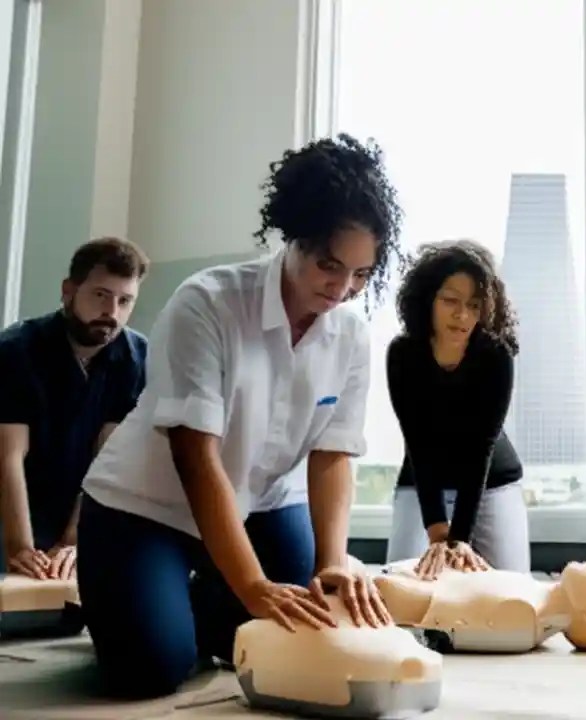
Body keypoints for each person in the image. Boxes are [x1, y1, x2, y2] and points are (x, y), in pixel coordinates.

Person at [74, 134, 402, 699]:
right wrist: (251, 584)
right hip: (147, 508)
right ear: (293, 237)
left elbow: (331, 456)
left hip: (262, 503)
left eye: (361, 274)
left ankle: (186, 599)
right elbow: (196, 458)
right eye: (329, 265)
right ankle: (143, 595)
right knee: (153, 669)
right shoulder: (208, 302)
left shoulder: (350, 336)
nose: (343, 288)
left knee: (297, 623)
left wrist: (333, 565)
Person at [0, 238, 148, 594]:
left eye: (124, 300)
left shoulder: (136, 358)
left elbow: (108, 459)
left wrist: (74, 541)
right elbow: (8, 456)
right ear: (69, 291)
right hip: (12, 501)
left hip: (83, 504)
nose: (111, 311)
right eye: (100, 295)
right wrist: (20, 546)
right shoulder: (16, 350)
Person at [385, 239, 526, 578]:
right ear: (428, 299)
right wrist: (437, 530)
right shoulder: (403, 354)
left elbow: (482, 447)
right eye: (450, 301)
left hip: (491, 479)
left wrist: (458, 538)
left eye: (474, 305)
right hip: (423, 477)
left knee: (510, 590)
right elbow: (417, 441)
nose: (462, 316)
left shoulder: (496, 355)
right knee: (399, 585)